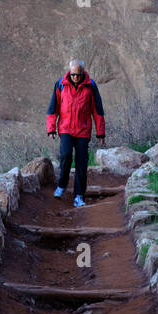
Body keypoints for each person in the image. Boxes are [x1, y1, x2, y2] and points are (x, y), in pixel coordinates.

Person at [46, 59, 105, 207]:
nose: (76, 78)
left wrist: (100, 133)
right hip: (66, 128)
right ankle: (62, 185)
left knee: (81, 162)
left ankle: (79, 195)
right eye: (73, 75)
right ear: (69, 72)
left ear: (83, 72)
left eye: (78, 75)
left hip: (83, 130)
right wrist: (51, 128)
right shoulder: (61, 84)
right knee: (65, 155)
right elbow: (53, 107)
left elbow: (97, 110)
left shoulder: (90, 86)